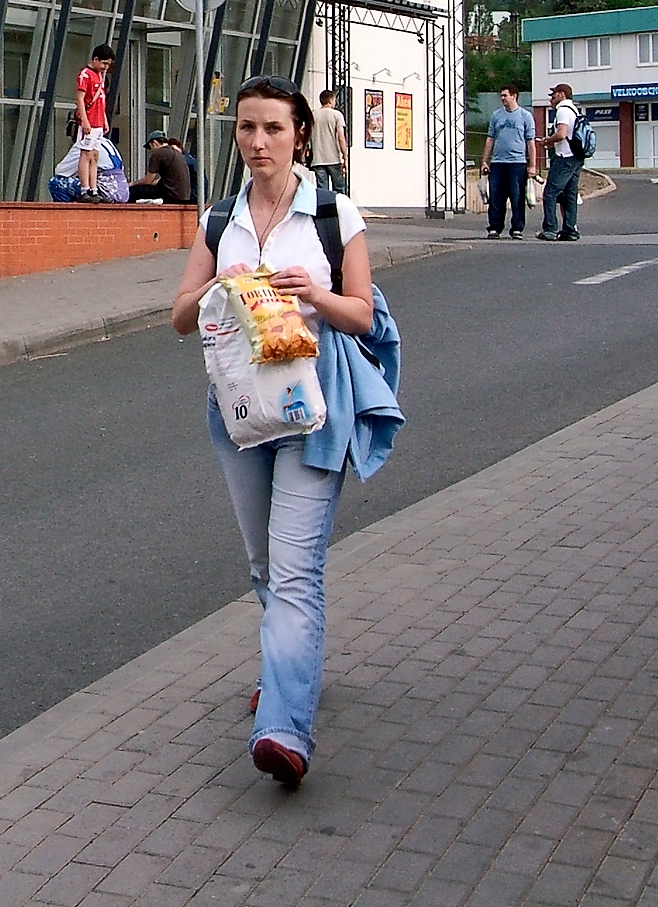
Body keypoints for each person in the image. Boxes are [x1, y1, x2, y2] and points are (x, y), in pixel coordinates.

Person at [172, 75, 376, 791]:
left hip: (313, 413)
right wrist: (218, 290)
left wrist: (310, 293)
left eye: (273, 129)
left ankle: (284, 727)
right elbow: (176, 315)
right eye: (246, 128)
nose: (258, 142)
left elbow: (363, 314)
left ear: (299, 135)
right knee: (264, 565)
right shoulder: (219, 218)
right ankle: (285, 667)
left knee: (294, 574)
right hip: (237, 417)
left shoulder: (333, 214)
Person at [483, 85, 536, 238]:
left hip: (517, 163)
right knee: (496, 196)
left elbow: (530, 142)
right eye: (501, 96)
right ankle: (494, 227)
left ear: (514, 96)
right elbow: (490, 138)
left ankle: (517, 228)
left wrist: (532, 165)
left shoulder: (525, 116)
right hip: (498, 162)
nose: (502, 98)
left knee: (517, 196)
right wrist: (485, 161)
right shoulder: (496, 116)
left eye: (505, 95)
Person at [537, 82, 583, 242]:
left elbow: (562, 134)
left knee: (550, 192)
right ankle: (570, 230)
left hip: (565, 157)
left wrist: (547, 140)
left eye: (554, 94)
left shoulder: (563, 110)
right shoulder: (574, 110)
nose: (551, 97)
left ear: (562, 94)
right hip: (577, 158)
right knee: (570, 194)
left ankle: (550, 229)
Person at [74, 44, 115, 202]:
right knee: (86, 154)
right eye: (104, 63)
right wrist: (84, 119)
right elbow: (80, 99)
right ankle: (85, 188)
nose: (106, 67)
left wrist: (104, 119)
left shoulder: (99, 75)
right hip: (89, 121)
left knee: (95, 156)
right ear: (95, 59)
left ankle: (93, 188)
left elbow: (100, 100)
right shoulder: (86, 74)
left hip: (97, 121)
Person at [128, 132, 195, 204]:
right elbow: (169, 179)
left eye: (150, 147)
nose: (151, 150)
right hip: (184, 197)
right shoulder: (177, 153)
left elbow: (148, 180)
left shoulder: (158, 153)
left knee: (132, 191)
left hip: (170, 196)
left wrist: (132, 184)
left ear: (154, 142)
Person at [312, 88, 348, 196]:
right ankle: (338, 211)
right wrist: (345, 156)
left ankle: (325, 212)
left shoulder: (313, 115)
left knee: (323, 192)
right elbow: (341, 137)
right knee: (339, 190)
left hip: (318, 159)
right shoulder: (337, 115)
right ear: (331, 100)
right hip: (333, 159)